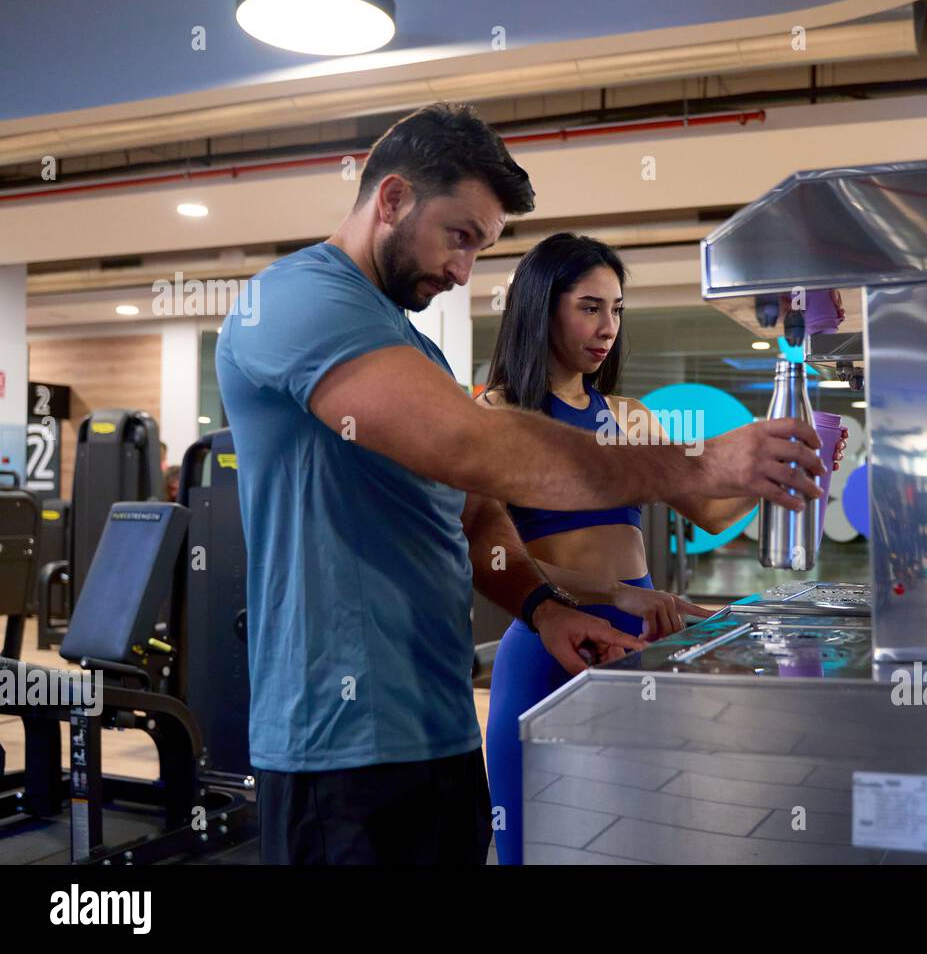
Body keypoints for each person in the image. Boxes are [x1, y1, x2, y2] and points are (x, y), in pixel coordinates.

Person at [215, 103, 827, 864]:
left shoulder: (417, 354)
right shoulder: (298, 298)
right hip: (336, 745)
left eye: (482, 247)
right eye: (460, 236)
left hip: (437, 726)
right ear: (394, 198)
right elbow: (471, 446)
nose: (464, 269)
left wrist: (544, 608)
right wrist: (701, 464)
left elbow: (472, 519)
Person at [479, 233, 848, 864]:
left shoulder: (631, 419)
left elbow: (708, 508)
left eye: (618, 310)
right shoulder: (494, 414)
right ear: (542, 307)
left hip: (642, 644)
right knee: (532, 846)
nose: (608, 328)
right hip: (548, 649)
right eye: (590, 307)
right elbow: (495, 557)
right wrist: (617, 592)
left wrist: (779, 463)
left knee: (627, 835)